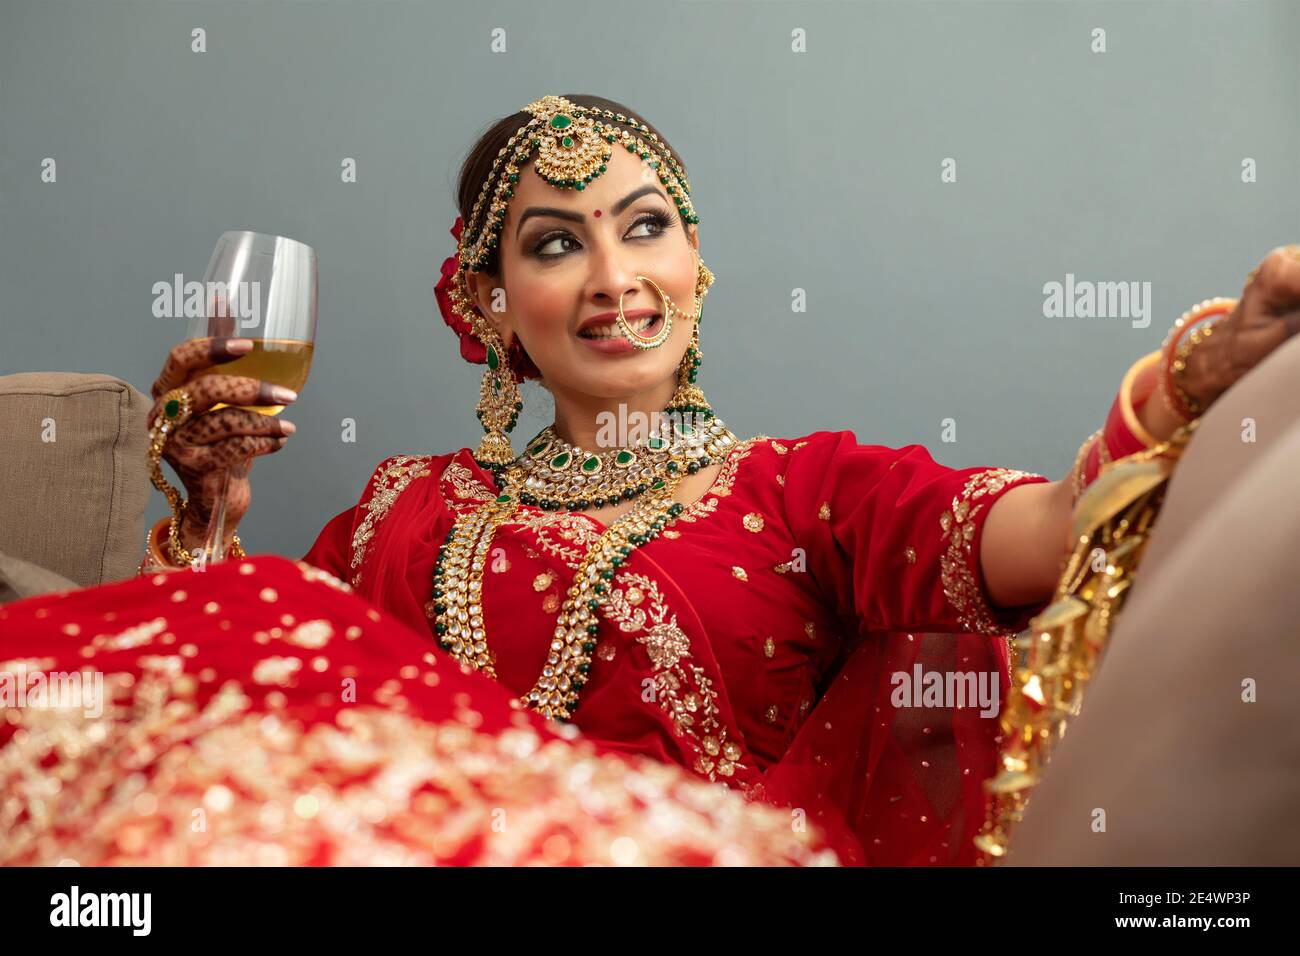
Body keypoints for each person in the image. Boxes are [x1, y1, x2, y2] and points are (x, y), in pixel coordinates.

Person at [121, 94, 1300, 864]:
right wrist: (210, 510)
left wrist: (1195, 380)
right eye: (553, 243)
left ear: (695, 263)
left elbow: (1053, 529)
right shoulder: (403, 509)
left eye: (644, 228)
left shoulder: (806, 493)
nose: (613, 275)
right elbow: (246, 711)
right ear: (487, 303)